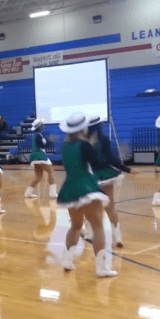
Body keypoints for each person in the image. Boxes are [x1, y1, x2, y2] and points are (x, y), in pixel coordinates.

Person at [56, 113, 117, 278]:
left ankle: (67, 260)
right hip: (86, 186)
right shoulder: (84, 145)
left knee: (76, 225)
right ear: (83, 128)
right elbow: (97, 165)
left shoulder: (65, 146)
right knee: (97, 226)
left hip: (70, 188)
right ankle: (101, 268)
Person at [85, 115, 131, 248]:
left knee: (91, 208)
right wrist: (125, 168)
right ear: (99, 126)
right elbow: (111, 158)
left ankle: (89, 233)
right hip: (107, 175)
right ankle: (118, 237)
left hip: (92, 177)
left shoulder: (84, 142)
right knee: (111, 208)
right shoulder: (104, 139)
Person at [25, 119, 58, 199]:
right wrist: (50, 141)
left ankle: (28, 193)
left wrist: (48, 141)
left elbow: (43, 145)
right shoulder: (38, 135)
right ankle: (53, 193)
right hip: (39, 155)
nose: (43, 126)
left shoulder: (38, 135)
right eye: (42, 124)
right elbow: (42, 146)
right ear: (40, 126)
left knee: (38, 177)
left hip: (34, 156)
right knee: (50, 172)